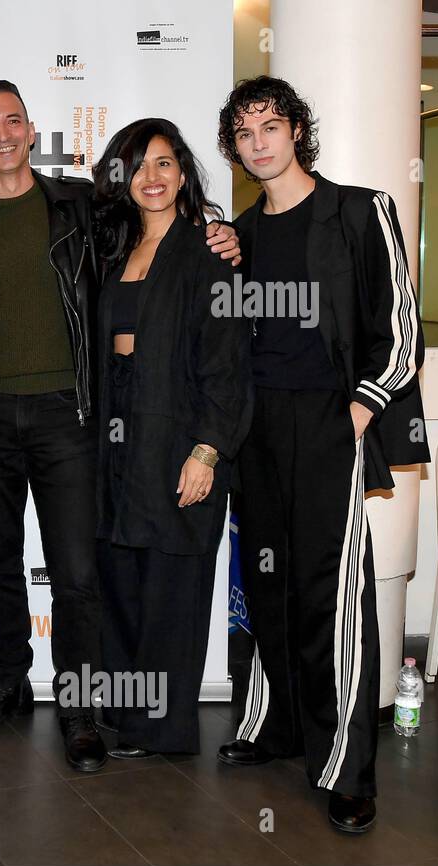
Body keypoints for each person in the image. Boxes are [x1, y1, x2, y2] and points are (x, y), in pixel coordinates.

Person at [0, 80, 241, 772]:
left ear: (30, 127)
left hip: (68, 415)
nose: (1, 134)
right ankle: (7, 686)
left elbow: (163, 225)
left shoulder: (80, 204)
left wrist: (224, 231)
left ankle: (81, 709)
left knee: (79, 573)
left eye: (12, 120)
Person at [215, 76, 428, 834]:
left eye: (270, 125)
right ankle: (274, 727)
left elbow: (401, 332)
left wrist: (361, 409)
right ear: (234, 149)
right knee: (267, 589)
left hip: (332, 426)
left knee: (332, 597)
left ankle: (346, 766)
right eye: (243, 133)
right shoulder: (240, 234)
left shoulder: (361, 210)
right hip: (256, 432)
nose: (259, 141)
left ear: (297, 129)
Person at [91, 118, 251, 758]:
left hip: (179, 429)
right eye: (137, 166)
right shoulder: (113, 248)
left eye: (164, 164)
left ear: (183, 173)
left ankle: (166, 726)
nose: (151, 178)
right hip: (115, 432)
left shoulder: (210, 251)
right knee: (121, 574)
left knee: (172, 583)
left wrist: (208, 450)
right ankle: (129, 716)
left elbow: (229, 360)